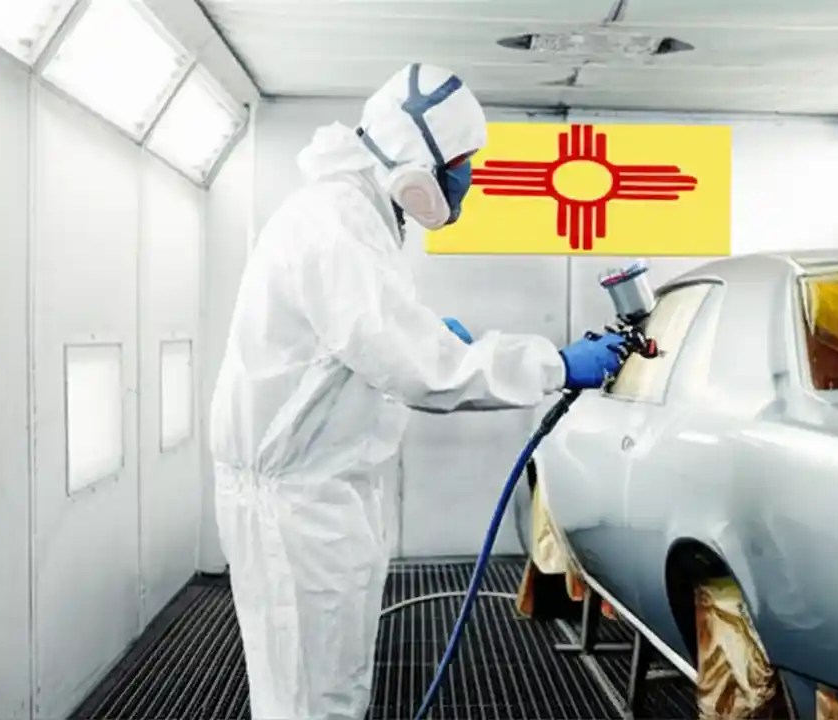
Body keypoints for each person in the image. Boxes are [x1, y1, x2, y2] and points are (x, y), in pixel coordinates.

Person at [208, 62, 628, 720]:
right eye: (463, 163)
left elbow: (366, 339)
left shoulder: (354, 214)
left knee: (330, 684)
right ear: (418, 162)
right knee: (311, 700)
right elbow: (425, 373)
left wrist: (428, 333)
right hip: (298, 510)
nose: (469, 179)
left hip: (321, 497)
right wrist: (556, 364)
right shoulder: (336, 224)